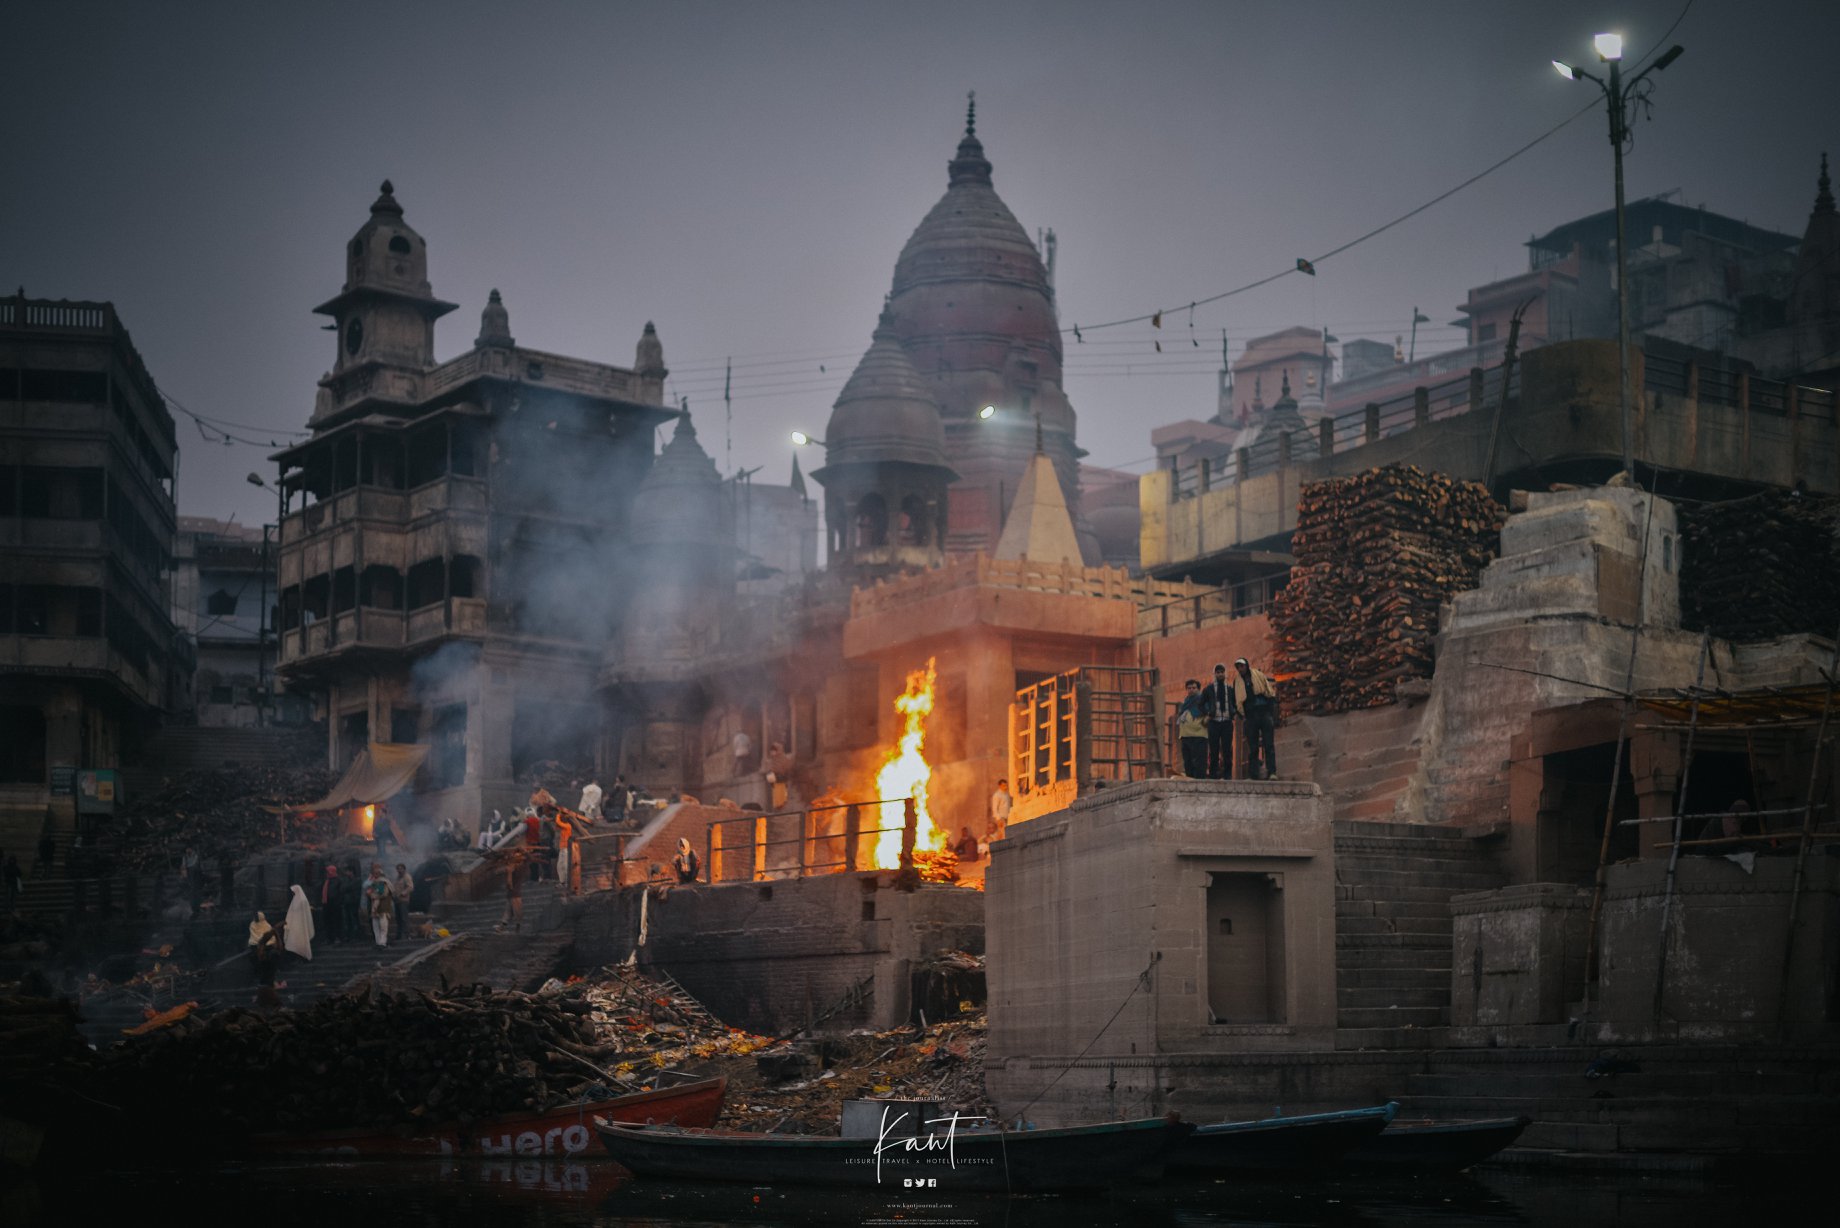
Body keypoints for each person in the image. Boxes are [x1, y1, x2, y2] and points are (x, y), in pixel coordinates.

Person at [1232, 657, 1280, 780]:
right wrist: (1242, 714)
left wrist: (1270, 712)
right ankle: (1253, 775)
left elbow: (1268, 692)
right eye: (1238, 667)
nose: (1240, 669)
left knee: (1268, 744)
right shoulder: (1237, 681)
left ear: (1246, 666)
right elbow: (1237, 700)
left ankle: (1272, 772)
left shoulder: (1258, 675)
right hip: (1250, 715)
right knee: (1252, 747)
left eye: (1242, 666)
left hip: (1263, 712)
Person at [1203, 663, 1238, 780]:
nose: (1220, 674)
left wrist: (1235, 712)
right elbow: (1201, 704)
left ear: (1225, 673)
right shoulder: (1209, 689)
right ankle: (1213, 774)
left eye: (1222, 672)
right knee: (1214, 750)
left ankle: (1228, 775)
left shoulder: (1230, 689)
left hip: (1227, 722)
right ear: (1214, 674)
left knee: (1227, 750)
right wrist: (1208, 712)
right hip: (1214, 722)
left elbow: (1235, 703)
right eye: (1217, 672)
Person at [1176, 679, 1209, 779]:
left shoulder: (1203, 701)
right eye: (1189, 688)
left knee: (1200, 761)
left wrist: (1205, 722)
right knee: (1188, 761)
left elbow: (1209, 713)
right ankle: (1190, 780)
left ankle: (1199, 782)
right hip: (1186, 736)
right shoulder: (1185, 703)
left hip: (1199, 735)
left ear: (1199, 689)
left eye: (1194, 688)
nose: (1191, 690)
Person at [284, 882, 315, 961]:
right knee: (295, 940)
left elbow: (305, 913)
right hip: (295, 923)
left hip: (301, 923)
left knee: (301, 940)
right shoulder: (295, 899)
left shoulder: (302, 900)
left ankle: (303, 957)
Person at [364, 864, 392, 947]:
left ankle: (383, 942)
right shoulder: (373, 883)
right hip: (374, 908)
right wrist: (369, 894)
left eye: (376, 873)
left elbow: (384, 894)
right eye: (374, 873)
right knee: (375, 926)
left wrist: (374, 895)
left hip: (383, 907)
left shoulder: (384, 882)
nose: (374, 875)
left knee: (383, 926)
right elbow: (368, 891)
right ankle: (378, 942)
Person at [499, 855, 525, 932]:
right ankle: (502, 928)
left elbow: (509, 883)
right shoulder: (512, 870)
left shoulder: (517, 870)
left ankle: (516, 929)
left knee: (516, 913)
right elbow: (509, 883)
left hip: (515, 894)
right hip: (512, 895)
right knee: (508, 912)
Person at [318, 865, 344, 944]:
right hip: (326, 904)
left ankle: (337, 937)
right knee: (327, 921)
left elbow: (341, 892)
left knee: (336, 921)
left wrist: (339, 901)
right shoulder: (326, 881)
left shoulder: (338, 880)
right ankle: (328, 938)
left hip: (335, 904)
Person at [391, 863, 414, 939]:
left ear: (404, 869)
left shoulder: (407, 877)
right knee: (398, 918)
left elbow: (410, 887)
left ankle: (406, 934)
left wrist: (403, 893)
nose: (399, 870)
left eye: (400, 869)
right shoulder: (397, 878)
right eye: (398, 869)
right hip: (397, 901)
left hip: (404, 900)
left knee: (404, 918)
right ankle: (399, 934)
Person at [555, 812, 575, 895]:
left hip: (566, 848)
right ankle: (562, 881)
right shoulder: (563, 827)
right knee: (559, 865)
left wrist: (558, 814)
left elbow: (558, 822)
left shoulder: (568, 826)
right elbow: (557, 826)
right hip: (562, 848)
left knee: (565, 865)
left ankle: (567, 882)